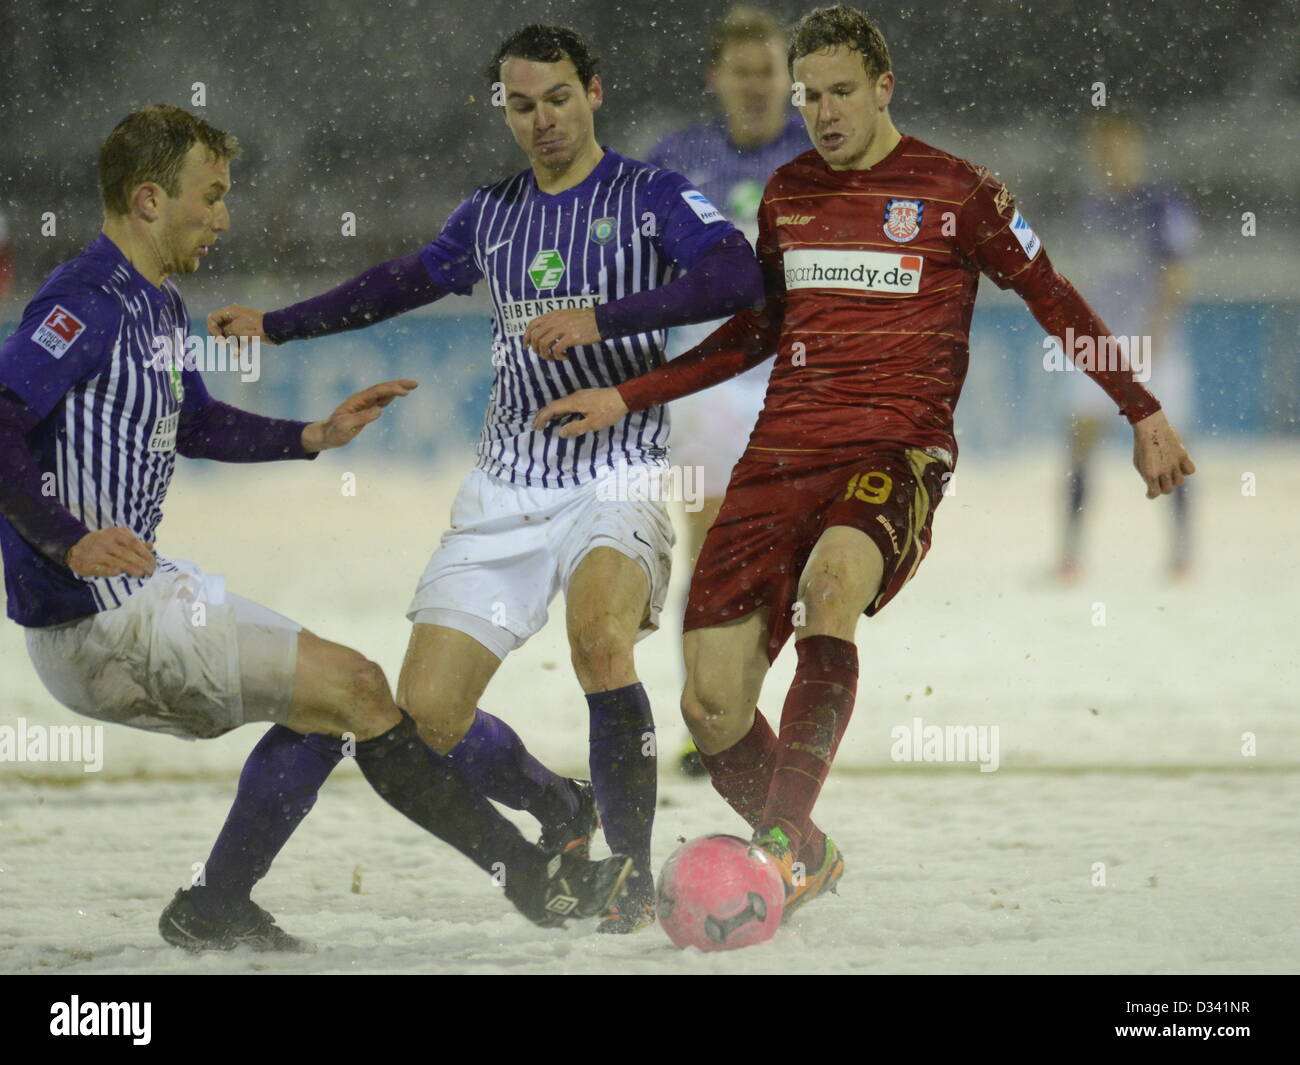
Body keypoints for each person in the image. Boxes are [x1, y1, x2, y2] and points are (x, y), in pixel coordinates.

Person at [534, 4, 1195, 920]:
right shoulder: (788, 195)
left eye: (842, 91)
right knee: (709, 710)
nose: (824, 111)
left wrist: (1142, 408)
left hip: (894, 451)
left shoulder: (958, 191)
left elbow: (1055, 298)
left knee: (830, 587)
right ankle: (806, 845)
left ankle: (775, 847)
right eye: (811, 97)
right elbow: (756, 332)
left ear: (884, 87)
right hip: (779, 457)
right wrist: (628, 394)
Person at [0, 104, 632, 952]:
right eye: (211, 196)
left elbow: (194, 422)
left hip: (141, 596)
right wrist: (66, 539)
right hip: (99, 622)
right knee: (362, 693)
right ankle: (533, 868)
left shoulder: (154, 299)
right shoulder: (84, 299)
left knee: (334, 704)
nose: (224, 216)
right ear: (149, 200)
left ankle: (218, 903)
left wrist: (312, 436)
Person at [201, 24, 763, 934]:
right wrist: (276, 325)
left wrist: (602, 316)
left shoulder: (650, 193)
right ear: (506, 110)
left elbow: (734, 275)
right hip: (506, 483)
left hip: (615, 467)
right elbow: (396, 281)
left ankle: (626, 871)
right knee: (426, 712)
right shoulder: (491, 215)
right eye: (522, 105)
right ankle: (560, 806)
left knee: (600, 642)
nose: (542, 121)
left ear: (594, 91)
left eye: (558, 99)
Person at [645, 4, 810, 778]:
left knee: (789, 558)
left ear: (790, 79)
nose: (755, 86)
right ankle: (710, 722)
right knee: (711, 552)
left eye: (768, 71)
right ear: (718, 79)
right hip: (707, 378)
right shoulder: (675, 161)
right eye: (741, 72)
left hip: (793, 375)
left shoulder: (819, 155)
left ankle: (755, 713)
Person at [1057, 113, 1198, 581]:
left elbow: (1176, 273)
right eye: (1103, 150)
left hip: (1151, 343)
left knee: (1167, 445)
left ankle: (1181, 555)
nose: (1111, 158)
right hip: (1099, 345)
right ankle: (1071, 555)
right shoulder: (1090, 207)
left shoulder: (1159, 204)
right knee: (1081, 442)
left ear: (1134, 151)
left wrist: (1155, 334)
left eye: (1119, 148)